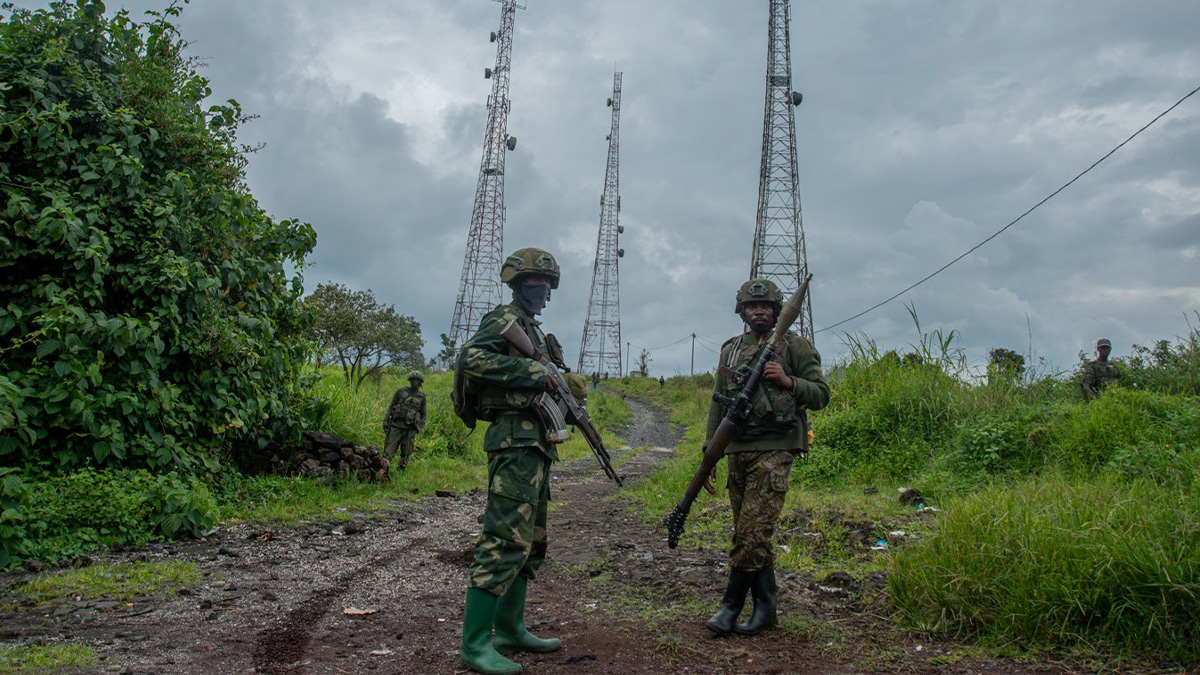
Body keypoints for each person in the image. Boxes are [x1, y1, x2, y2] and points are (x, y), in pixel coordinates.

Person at [454, 248, 588, 675]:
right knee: (504, 538)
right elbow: (470, 359)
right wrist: (534, 375)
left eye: (547, 284)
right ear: (515, 283)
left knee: (531, 540)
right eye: (533, 282)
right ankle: (475, 645)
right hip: (513, 442)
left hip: (537, 444)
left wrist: (567, 391)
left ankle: (510, 629)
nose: (541, 290)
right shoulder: (502, 320)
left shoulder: (536, 333)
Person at [703, 278, 829, 638]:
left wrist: (788, 382)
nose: (759, 311)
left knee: (752, 531)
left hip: (775, 448)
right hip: (738, 450)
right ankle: (766, 609)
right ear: (742, 311)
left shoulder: (796, 347)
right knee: (751, 532)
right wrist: (709, 454)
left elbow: (821, 394)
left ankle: (729, 607)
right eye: (752, 306)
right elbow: (717, 404)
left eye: (766, 306)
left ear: (776, 311)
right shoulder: (731, 351)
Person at [382, 371, 426, 471]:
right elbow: (391, 406)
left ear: (421, 383)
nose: (415, 382)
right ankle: (383, 470)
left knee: (406, 453)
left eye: (418, 380)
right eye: (413, 380)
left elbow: (423, 415)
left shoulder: (422, 397)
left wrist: (419, 427)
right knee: (388, 451)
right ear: (410, 380)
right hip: (396, 426)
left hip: (410, 429)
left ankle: (400, 471)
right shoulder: (401, 392)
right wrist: (386, 420)